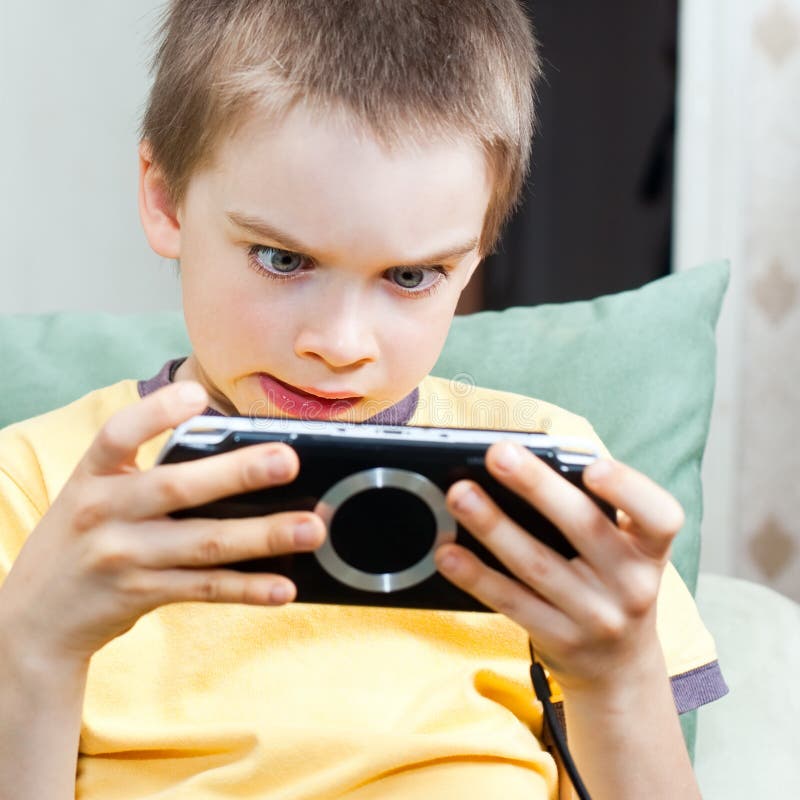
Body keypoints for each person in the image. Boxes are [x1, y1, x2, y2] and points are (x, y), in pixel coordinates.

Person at [0, 2, 727, 798]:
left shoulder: (541, 480)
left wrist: (615, 674)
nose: (342, 344)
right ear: (166, 200)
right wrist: (33, 646)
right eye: (282, 258)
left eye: (411, 277)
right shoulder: (36, 488)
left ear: (478, 251)